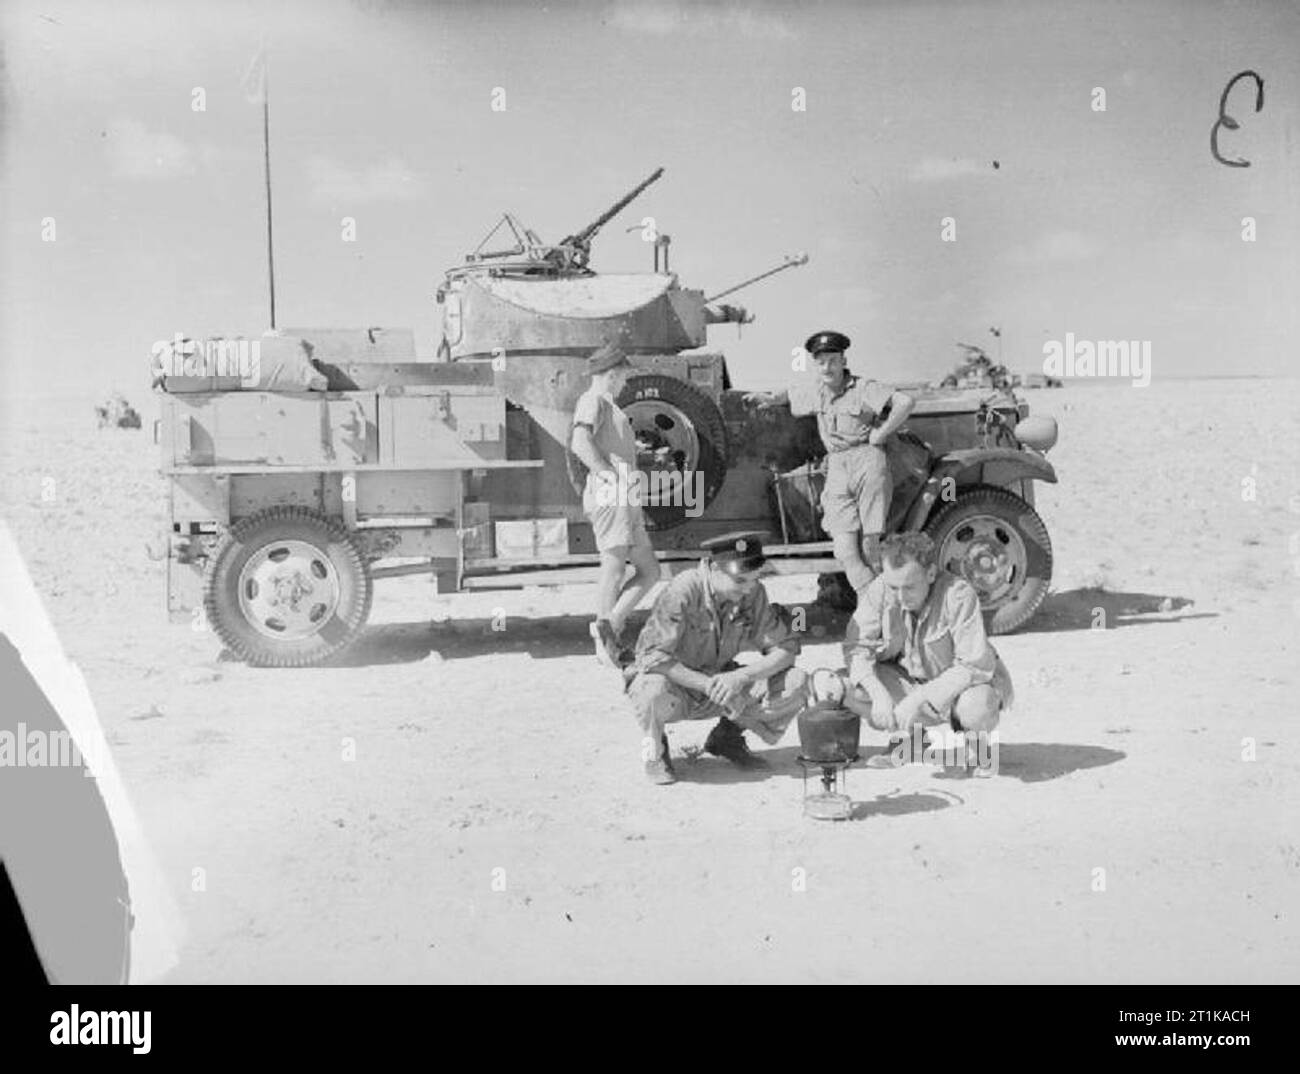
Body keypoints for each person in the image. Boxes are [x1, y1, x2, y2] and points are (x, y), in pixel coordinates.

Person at [624, 531, 807, 785]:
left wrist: (741, 676)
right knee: (650, 690)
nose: (748, 588)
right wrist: (707, 684)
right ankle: (656, 748)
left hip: (724, 684)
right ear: (713, 568)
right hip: (677, 686)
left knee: (796, 681)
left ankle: (727, 739)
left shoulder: (752, 592)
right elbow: (652, 656)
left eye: (754, 579)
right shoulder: (684, 588)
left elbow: (786, 650)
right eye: (741, 581)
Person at [748, 330, 915, 597]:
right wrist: (769, 399)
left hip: (867, 461)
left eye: (833, 361)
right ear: (816, 365)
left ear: (843, 361)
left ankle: (878, 612)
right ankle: (878, 601)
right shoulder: (816, 392)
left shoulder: (863, 387)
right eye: (821, 362)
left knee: (870, 544)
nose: (827, 367)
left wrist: (881, 433)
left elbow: (905, 402)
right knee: (845, 549)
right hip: (836, 466)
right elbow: (789, 395)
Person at [842, 532, 1013, 775]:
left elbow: (973, 667)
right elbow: (856, 647)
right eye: (894, 587)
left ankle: (979, 748)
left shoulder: (959, 595)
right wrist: (878, 693)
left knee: (976, 706)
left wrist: (918, 699)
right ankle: (910, 742)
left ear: (931, 574)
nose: (900, 598)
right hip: (910, 682)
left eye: (910, 587)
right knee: (844, 686)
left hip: (959, 691)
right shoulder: (881, 588)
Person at [570, 341, 662, 667]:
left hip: (626, 496)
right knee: (613, 568)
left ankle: (609, 624)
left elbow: (607, 444)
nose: (625, 382)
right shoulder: (593, 400)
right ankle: (604, 643)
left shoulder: (608, 405)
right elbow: (580, 442)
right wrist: (607, 474)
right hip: (613, 496)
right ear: (611, 374)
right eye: (623, 376)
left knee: (650, 570)